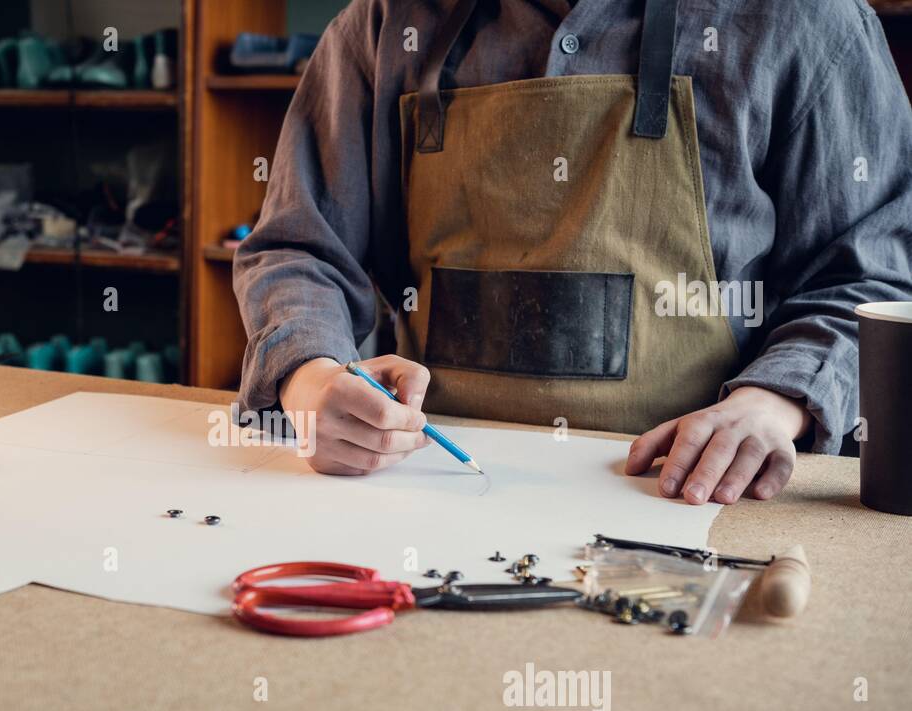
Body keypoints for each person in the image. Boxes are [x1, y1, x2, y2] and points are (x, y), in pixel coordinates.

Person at [233, 0, 912, 504]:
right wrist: (312, 378)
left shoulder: (804, 22)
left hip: (692, 505)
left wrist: (772, 402)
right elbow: (301, 245)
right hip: (426, 491)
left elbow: (876, 275)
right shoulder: (388, 24)